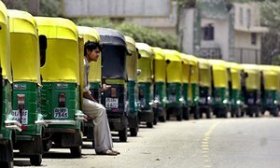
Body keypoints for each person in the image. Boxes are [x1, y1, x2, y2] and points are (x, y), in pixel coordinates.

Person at [82, 41, 120, 156]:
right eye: (96, 52)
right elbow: (84, 91)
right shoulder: (84, 64)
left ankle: (107, 146)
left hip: (82, 98)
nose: (98, 55)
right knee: (101, 110)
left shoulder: (85, 63)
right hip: (79, 100)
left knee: (101, 110)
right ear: (88, 51)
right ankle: (102, 148)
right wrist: (94, 101)